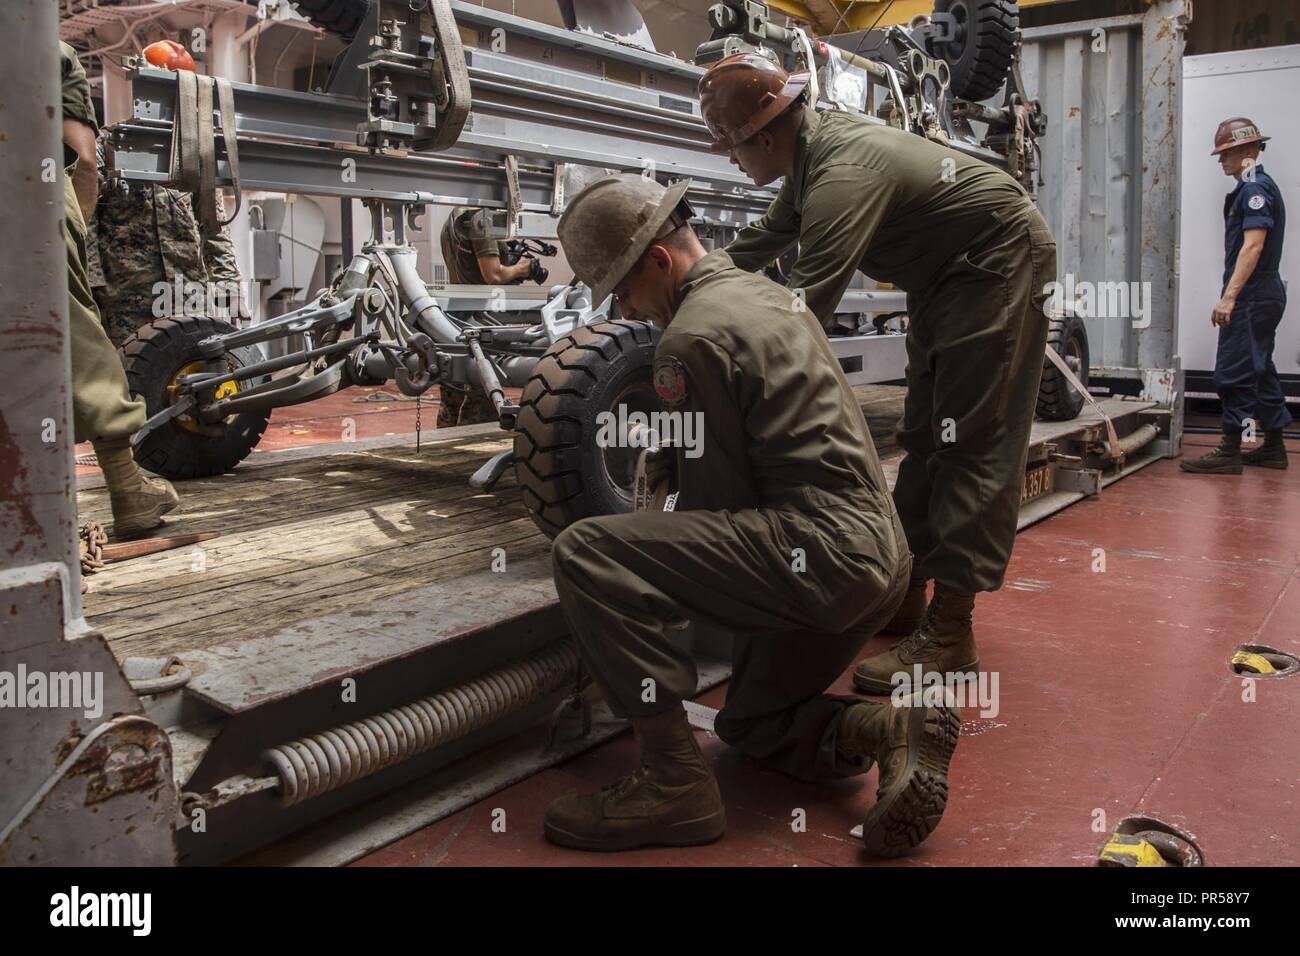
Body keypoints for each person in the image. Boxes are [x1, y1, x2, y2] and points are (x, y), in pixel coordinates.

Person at [543, 174, 960, 856]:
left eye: (622, 288)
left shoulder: (688, 342)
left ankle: (672, 783)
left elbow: (719, 514)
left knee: (587, 553)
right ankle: (888, 732)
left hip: (820, 555)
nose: (628, 308)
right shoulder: (766, 292)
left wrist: (629, 601)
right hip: (878, 560)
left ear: (659, 259)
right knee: (751, 723)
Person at [696, 53, 1056, 696]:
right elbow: (761, 243)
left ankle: (951, 633)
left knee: (973, 440)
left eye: (731, 146)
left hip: (998, 260)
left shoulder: (841, 174)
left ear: (767, 136)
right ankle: (909, 593)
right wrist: (689, 284)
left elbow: (803, 311)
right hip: (948, 275)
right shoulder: (807, 161)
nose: (731, 159)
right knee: (926, 434)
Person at [60, 42, 179, 539]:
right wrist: (71, 230)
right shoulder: (49, 51)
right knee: (77, 340)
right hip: (26, 200)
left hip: (162, 286)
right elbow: (85, 161)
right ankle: (128, 486)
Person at [90, 41, 241, 350]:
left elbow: (213, 225)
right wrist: (93, 289)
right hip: (127, 301)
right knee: (133, 382)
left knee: (192, 379)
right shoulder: (109, 146)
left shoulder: (194, 153)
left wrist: (228, 285)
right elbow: (87, 221)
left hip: (187, 295)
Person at [1182, 117, 1289, 474]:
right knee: (1261, 372)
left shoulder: (1254, 189)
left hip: (1252, 296)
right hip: (1262, 293)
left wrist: (1229, 297)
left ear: (1247, 151)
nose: (1220, 159)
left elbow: (1253, 246)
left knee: (1234, 373)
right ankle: (1273, 448)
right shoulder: (1255, 186)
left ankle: (1231, 449)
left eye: (1226, 152)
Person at [436, 206, 540, 426]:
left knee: (452, 397)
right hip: (481, 317)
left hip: (455, 314)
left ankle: (441, 448)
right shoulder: (483, 217)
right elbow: (492, 274)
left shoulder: (454, 217)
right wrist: (522, 268)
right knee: (481, 399)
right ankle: (470, 451)